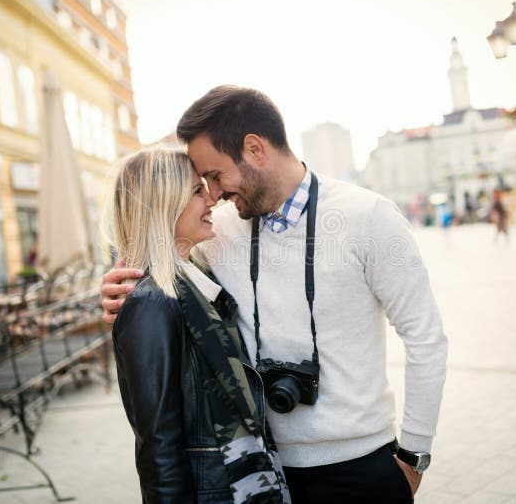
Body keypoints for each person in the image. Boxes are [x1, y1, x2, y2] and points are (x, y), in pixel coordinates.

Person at [102, 86, 448, 503]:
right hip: (264, 474)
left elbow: (425, 338)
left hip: (363, 467)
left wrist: (414, 454)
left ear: (254, 150)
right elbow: (159, 260)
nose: (212, 193)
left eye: (214, 175)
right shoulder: (218, 230)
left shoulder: (369, 217)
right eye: (203, 184)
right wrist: (117, 288)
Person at [107, 147, 289, 503]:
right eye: (195, 191)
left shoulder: (196, 280)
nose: (211, 199)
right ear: (163, 205)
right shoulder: (152, 302)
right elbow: (158, 444)